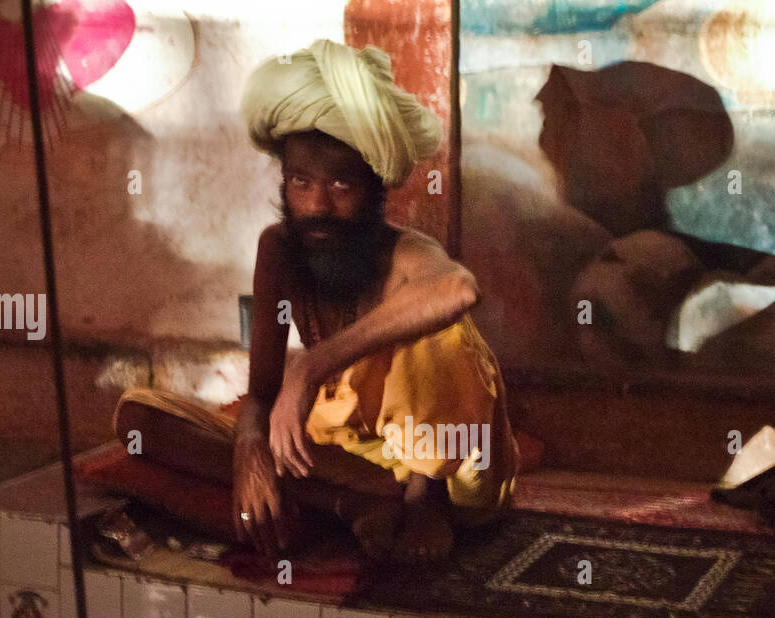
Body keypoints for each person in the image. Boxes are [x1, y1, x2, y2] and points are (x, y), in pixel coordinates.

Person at [113, 39, 518, 562]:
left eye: (341, 184)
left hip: (451, 464)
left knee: (442, 337)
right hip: (355, 457)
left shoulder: (408, 254)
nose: (318, 206)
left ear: (376, 189)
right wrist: (249, 450)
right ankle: (353, 503)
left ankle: (423, 501)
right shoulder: (279, 249)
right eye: (301, 182)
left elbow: (460, 288)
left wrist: (308, 369)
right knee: (139, 419)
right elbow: (259, 394)